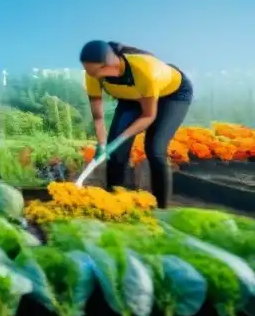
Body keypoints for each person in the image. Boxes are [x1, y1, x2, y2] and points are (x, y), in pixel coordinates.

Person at [79, 40, 192, 208]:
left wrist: (119, 139)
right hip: (133, 97)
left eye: (95, 72)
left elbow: (148, 116)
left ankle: (161, 209)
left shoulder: (144, 70)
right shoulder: (92, 75)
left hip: (172, 95)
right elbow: (98, 116)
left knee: (155, 149)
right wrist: (102, 143)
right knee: (116, 153)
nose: (91, 76)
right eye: (88, 71)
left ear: (110, 65)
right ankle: (114, 204)